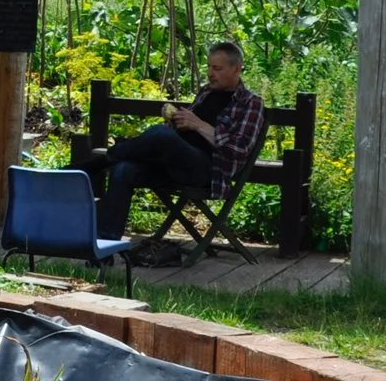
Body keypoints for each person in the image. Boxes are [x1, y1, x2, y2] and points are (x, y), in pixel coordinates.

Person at [80, 40, 265, 240]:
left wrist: (198, 124)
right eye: (209, 67)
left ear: (236, 69)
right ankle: (105, 243)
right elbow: (185, 129)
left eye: (217, 68)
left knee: (161, 134)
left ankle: (102, 161)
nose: (211, 73)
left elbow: (239, 150)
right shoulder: (206, 92)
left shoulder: (250, 102)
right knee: (124, 168)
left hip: (207, 171)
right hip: (171, 163)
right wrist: (176, 120)